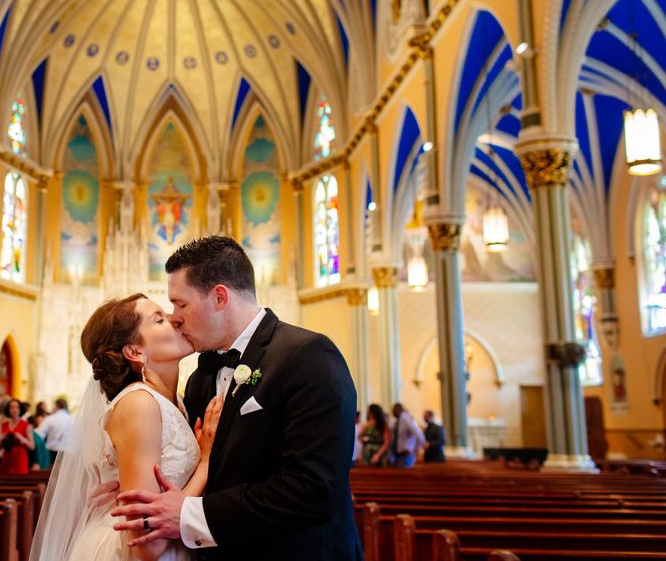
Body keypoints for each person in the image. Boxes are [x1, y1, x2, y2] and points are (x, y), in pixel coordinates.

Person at [110, 236, 362, 560]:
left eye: (181, 304)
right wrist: (126, 488)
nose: (175, 318)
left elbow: (312, 489)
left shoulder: (308, 356)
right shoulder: (201, 378)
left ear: (219, 297)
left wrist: (189, 515)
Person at [30, 293, 223, 560]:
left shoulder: (174, 399)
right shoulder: (139, 405)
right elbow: (146, 544)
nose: (175, 319)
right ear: (134, 352)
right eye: (159, 320)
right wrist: (204, 464)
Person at [0, 399, 35, 474]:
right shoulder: (4, 425)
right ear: (8, 410)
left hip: (20, 459)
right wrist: (1, 439)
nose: (14, 410)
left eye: (16, 407)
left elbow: (32, 446)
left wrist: (22, 438)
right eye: (11, 407)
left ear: (20, 409)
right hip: (7, 458)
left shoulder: (26, 425)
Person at [36, 397, 74, 465]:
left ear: (56, 406)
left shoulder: (50, 419)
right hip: (69, 453)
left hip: (53, 453)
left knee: (51, 474)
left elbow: (39, 434)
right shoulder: (73, 419)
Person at [389, 403, 425, 468]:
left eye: (393, 411)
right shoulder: (396, 421)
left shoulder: (406, 420)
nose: (392, 413)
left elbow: (420, 437)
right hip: (396, 455)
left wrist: (414, 451)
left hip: (405, 455)